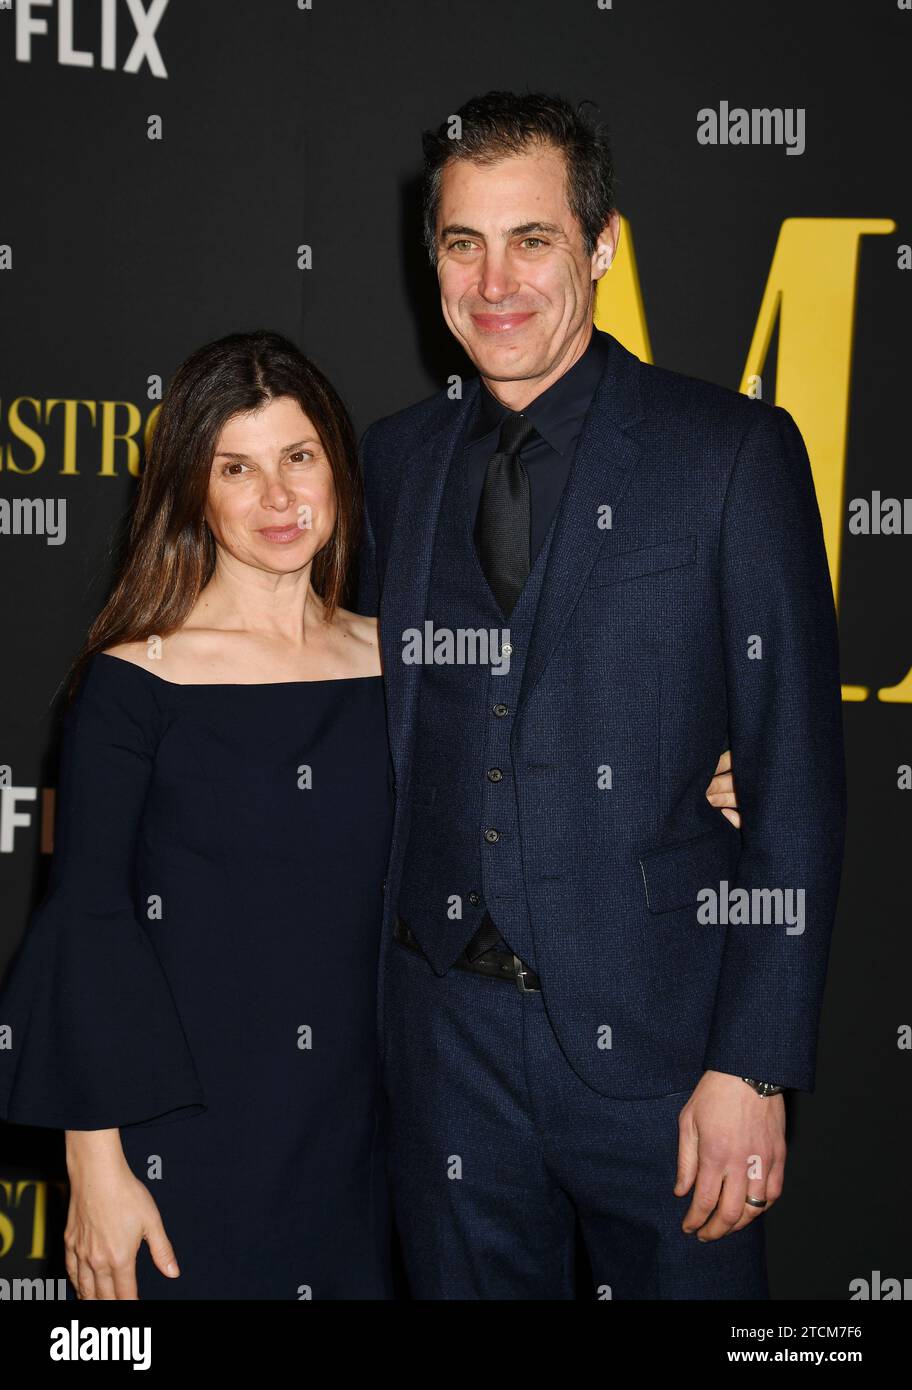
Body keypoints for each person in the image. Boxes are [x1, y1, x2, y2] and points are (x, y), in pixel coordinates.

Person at [357, 91, 847, 1299]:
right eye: (462, 243)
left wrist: (758, 1065)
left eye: (533, 239)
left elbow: (798, 779)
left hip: (673, 1060)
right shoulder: (396, 459)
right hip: (443, 1039)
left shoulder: (729, 450)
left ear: (602, 244)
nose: (495, 280)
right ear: (433, 261)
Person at [0, 332, 394, 1299]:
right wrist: (95, 1171)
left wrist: (706, 779)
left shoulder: (404, 661)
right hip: (188, 1136)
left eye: (299, 457)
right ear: (192, 489)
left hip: (375, 1134)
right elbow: (89, 925)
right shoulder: (137, 680)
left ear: (336, 466)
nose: (278, 498)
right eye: (236, 468)